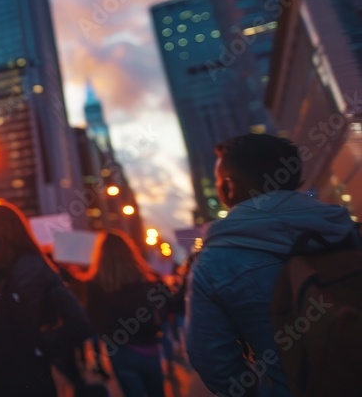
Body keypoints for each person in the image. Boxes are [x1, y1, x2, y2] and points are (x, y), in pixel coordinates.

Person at [186, 134, 362, 396]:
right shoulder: (346, 230)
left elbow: (213, 361)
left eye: (218, 181)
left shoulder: (214, 263)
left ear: (229, 187)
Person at [0, 199, 93, 397]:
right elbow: (80, 323)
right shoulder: (36, 266)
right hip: (32, 378)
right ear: (19, 230)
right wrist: (40, 345)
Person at [82, 230, 166, 397]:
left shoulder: (95, 285)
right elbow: (161, 310)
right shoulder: (145, 280)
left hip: (120, 350)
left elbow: (93, 319)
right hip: (149, 347)